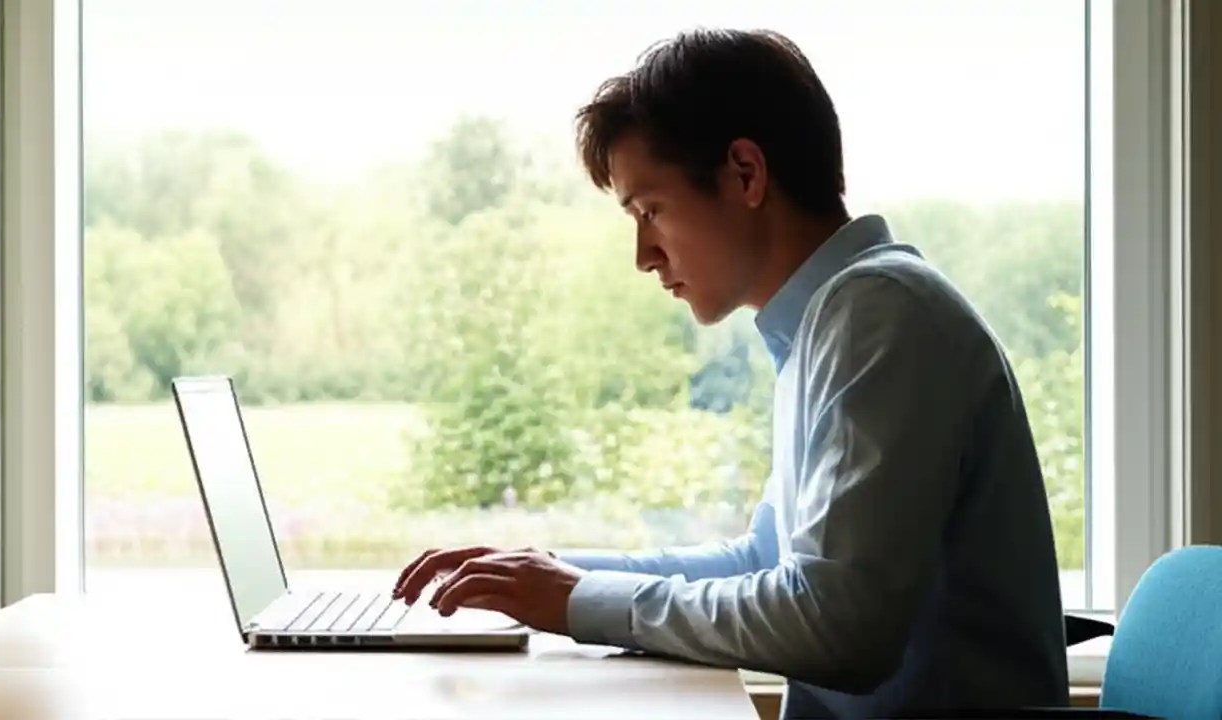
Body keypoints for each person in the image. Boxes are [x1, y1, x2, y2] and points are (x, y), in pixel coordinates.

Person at [393, 28, 1068, 718]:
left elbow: (839, 627)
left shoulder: (880, 317)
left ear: (746, 174)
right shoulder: (835, 321)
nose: (643, 255)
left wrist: (573, 600)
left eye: (650, 210)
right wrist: (546, 576)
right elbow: (764, 562)